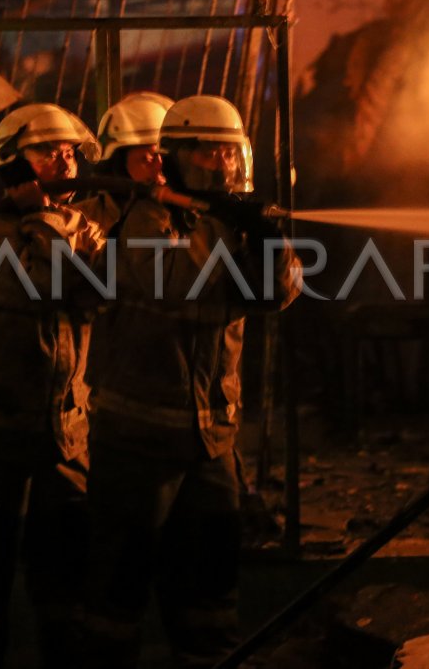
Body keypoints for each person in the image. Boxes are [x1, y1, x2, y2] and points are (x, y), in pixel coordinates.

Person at [83, 94, 302, 668]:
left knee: (210, 605)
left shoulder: (220, 220)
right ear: (174, 156)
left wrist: (269, 237)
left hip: (211, 445)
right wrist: (234, 231)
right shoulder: (140, 219)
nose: (223, 166)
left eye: (229, 153)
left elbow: (274, 294)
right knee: (116, 599)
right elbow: (178, 283)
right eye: (208, 153)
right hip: (137, 443)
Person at [0, 102, 104, 668]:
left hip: (60, 429)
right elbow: (51, 282)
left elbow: (97, 287)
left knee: (63, 566)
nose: (66, 159)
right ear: (13, 167)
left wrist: (47, 219)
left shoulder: (80, 225)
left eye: (70, 150)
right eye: (48, 151)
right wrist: (39, 217)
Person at [75, 91, 173, 234]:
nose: (159, 167)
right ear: (119, 166)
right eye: (147, 159)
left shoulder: (189, 218)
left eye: (164, 157)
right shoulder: (81, 222)